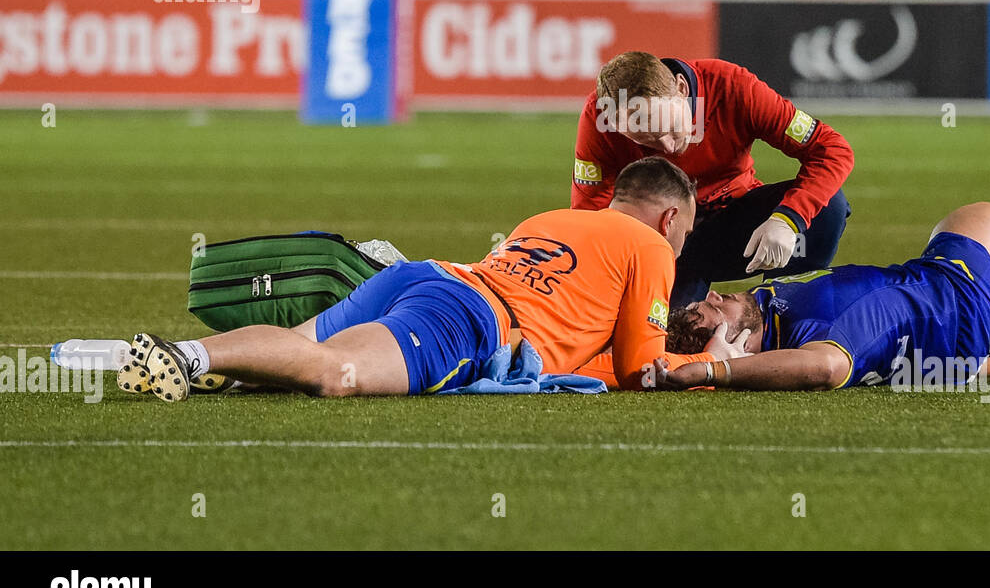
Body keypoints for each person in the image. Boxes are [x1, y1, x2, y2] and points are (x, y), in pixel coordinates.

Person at [118, 159, 737, 402]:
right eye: (683, 231)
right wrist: (712, 367)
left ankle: (206, 364)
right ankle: (186, 355)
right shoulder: (653, 246)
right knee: (337, 373)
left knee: (304, 350)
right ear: (669, 216)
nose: (682, 245)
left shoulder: (558, 217)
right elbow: (640, 370)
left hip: (431, 276)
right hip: (470, 318)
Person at [656, 201, 990, 390]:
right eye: (714, 306)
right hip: (953, 297)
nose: (721, 295)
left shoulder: (772, 314)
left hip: (942, 349)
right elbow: (826, 370)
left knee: (911, 350)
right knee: (984, 217)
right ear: (734, 339)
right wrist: (711, 370)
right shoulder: (810, 337)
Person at [572, 51, 854, 306]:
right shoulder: (601, 116)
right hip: (662, 238)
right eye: (647, 141)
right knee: (673, 341)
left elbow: (831, 149)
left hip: (733, 225)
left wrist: (788, 218)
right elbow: (590, 214)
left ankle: (786, 310)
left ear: (681, 89)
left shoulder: (732, 88)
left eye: (670, 128)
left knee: (829, 209)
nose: (669, 148)